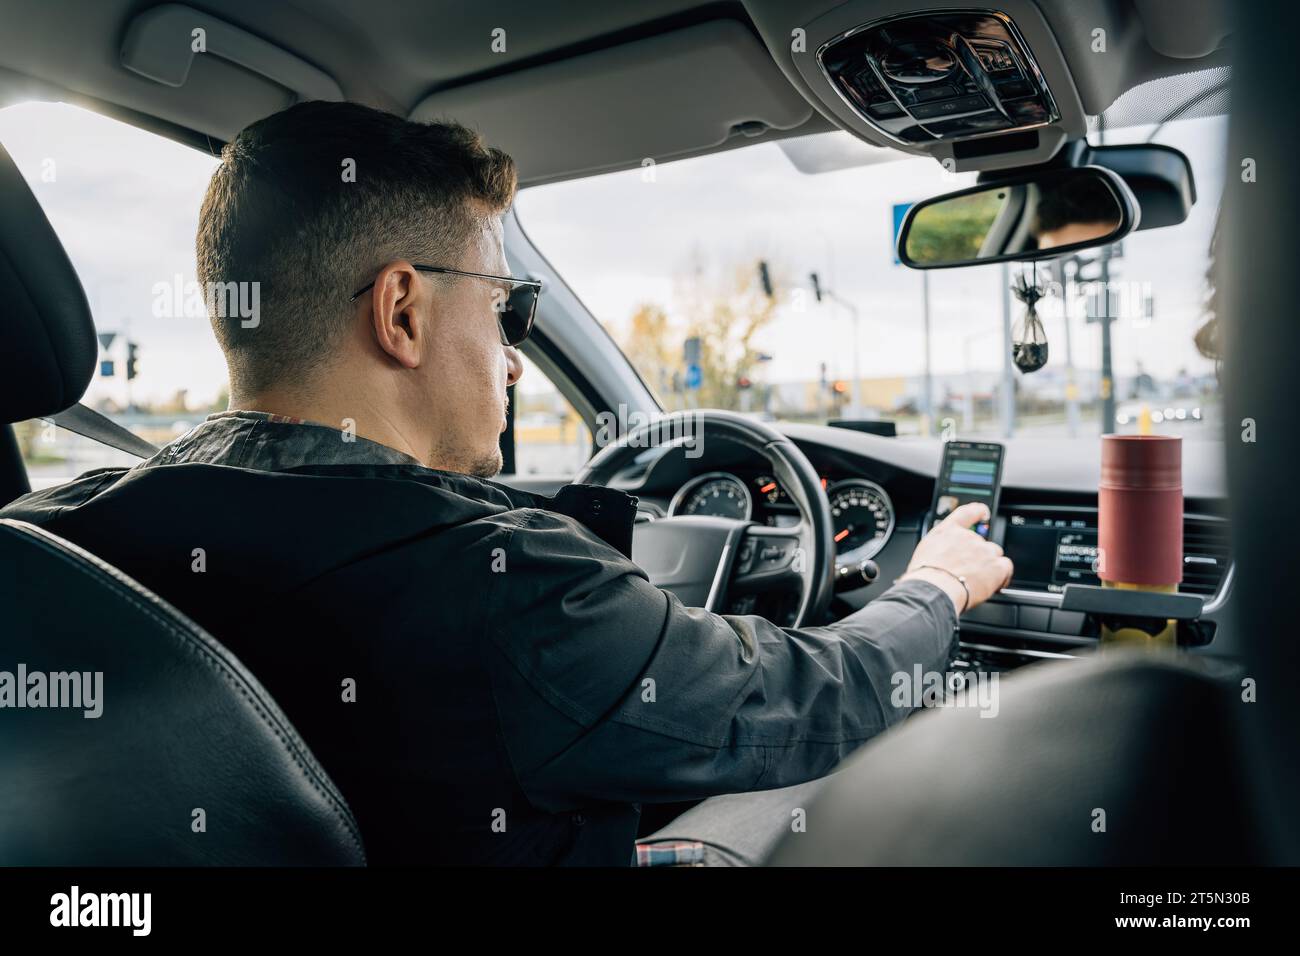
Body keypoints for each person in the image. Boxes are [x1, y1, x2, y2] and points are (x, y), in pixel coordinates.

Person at [0, 101, 1012, 866]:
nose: (515, 356)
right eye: (508, 309)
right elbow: (812, 698)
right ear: (400, 311)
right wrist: (937, 585)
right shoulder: (505, 584)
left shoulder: (48, 539)